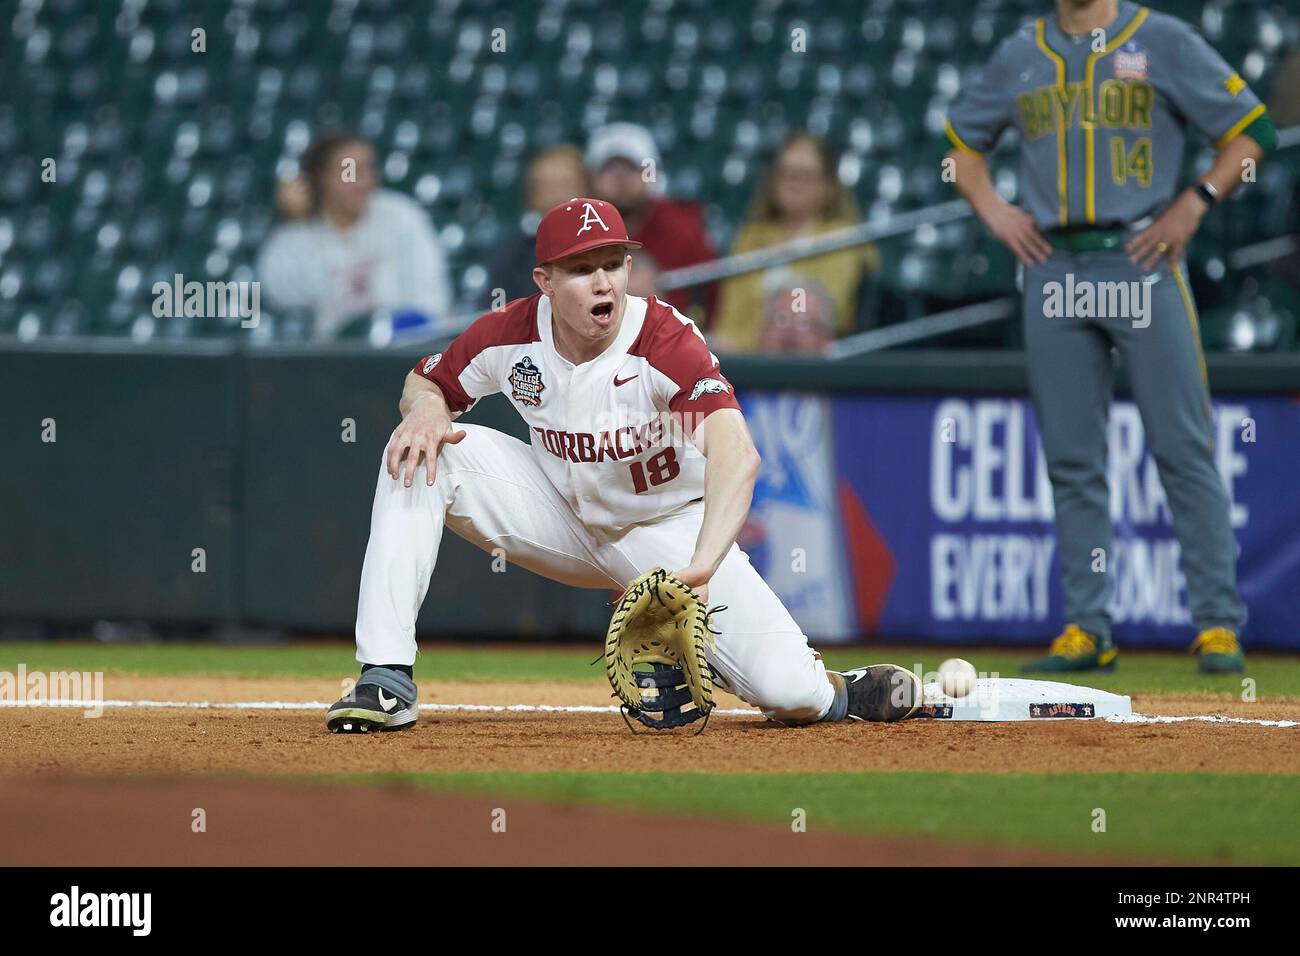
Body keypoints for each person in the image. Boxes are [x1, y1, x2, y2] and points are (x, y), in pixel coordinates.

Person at [325, 197, 921, 732]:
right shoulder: (511, 334)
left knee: (793, 694)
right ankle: (385, 676)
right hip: (557, 512)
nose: (602, 281)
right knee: (415, 449)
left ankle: (841, 689)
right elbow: (424, 381)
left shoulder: (661, 342)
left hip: (665, 529)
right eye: (582, 269)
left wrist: (700, 570)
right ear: (545, 281)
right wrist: (427, 407)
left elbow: (737, 454)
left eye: (613, 263)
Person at [945, 0, 1277, 675]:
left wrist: (1196, 201)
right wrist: (997, 213)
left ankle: (1217, 623)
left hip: (1141, 256)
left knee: (1182, 445)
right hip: (1053, 263)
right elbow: (961, 150)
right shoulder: (1020, 53)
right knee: (1072, 458)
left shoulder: (1163, 40)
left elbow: (1253, 133)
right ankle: (1089, 626)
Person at [257, 130, 453, 340]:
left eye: (368, 169)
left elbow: (432, 300)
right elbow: (278, 291)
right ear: (321, 177)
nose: (362, 181)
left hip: (401, 351)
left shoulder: (400, 215)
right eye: (349, 170)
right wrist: (287, 221)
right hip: (330, 357)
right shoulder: (300, 230)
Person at [711, 133, 877, 353]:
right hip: (742, 364)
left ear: (828, 186)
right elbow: (728, 316)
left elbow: (825, 318)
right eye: (785, 173)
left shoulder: (843, 238)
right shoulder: (750, 236)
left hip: (806, 363)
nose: (792, 183)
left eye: (804, 175)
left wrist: (746, 343)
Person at [587, 123, 719, 326]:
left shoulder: (681, 228)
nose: (621, 180)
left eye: (633, 168)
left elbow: (708, 301)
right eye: (611, 169)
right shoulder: (580, 227)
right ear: (593, 178)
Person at [487, 145, 589, 305]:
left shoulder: (612, 238)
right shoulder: (512, 258)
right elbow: (500, 316)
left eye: (565, 184)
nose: (558, 196)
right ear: (532, 200)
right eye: (547, 188)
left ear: (586, 189)